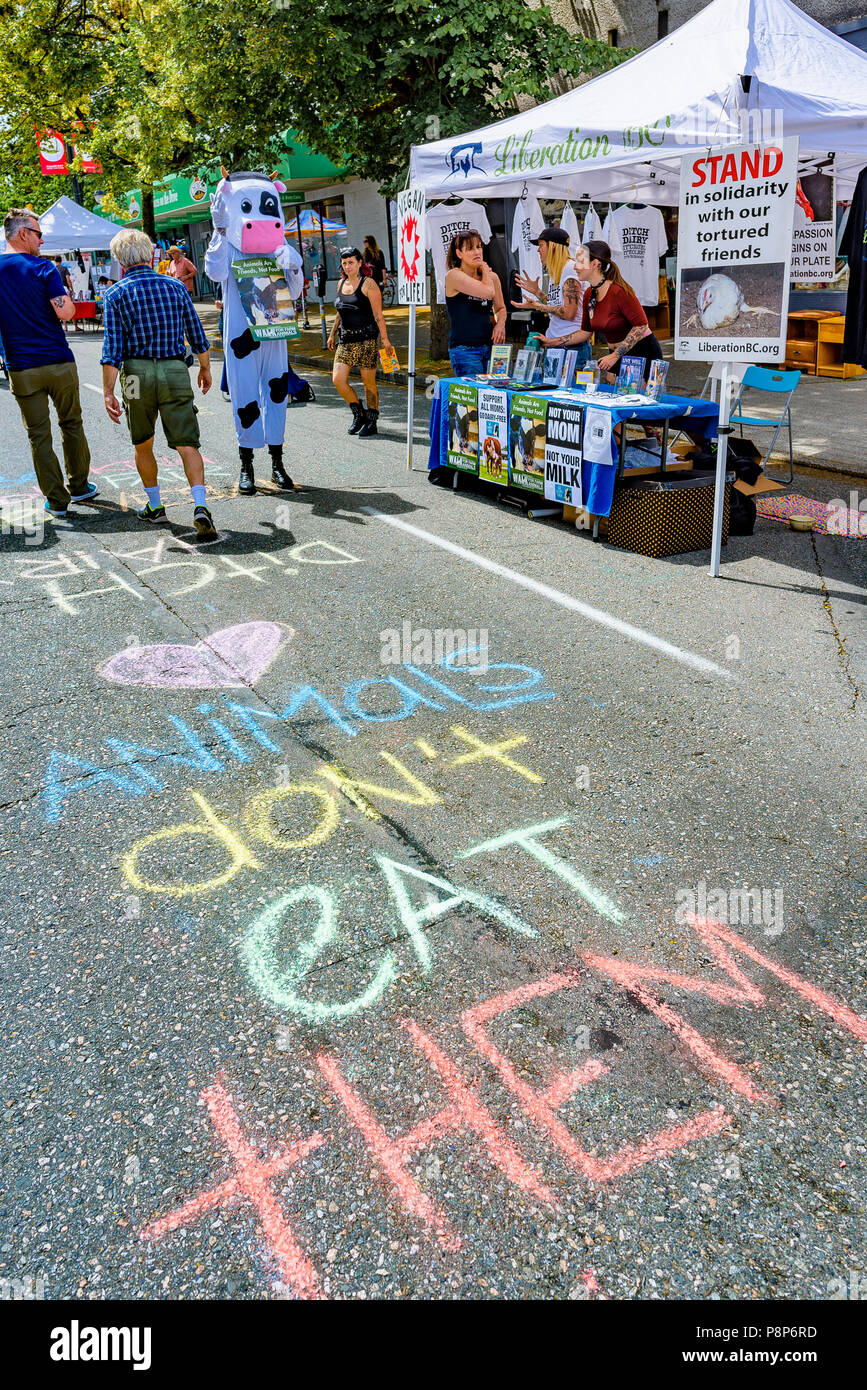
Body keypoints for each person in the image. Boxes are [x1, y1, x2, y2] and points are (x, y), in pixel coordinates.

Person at [100, 228, 217, 540]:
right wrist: (204, 368)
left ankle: (155, 506)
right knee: (187, 442)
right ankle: (200, 505)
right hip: (174, 370)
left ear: (119, 260)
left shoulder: (115, 294)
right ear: (150, 254)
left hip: (136, 374)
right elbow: (197, 333)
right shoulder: (175, 287)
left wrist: (108, 390)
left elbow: (112, 349)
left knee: (143, 440)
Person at [0, 208, 96, 518]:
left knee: (38, 435)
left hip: (21, 366)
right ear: (23, 233)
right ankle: (79, 486)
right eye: (39, 234)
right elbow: (66, 312)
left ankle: (57, 500)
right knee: (72, 423)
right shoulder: (44, 268)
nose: (43, 240)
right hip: (58, 360)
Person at [558, 239, 662, 382]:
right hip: (615, 354)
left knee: (640, 400)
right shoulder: (589, 293)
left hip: (641, 352)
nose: (575, 267)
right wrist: (552, 341)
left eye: (580, 262)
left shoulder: (619, 292)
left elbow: (641, 325)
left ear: (595, 264)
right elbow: (585, 332)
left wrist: (615, 356)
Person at [328, 246, 393, 437]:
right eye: (344, 263)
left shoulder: (369, 284)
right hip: (346, 339)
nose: (348, 267)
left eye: (351, 263)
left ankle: (372, 421)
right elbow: (340, 312)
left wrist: (385, 340)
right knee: (338, 379)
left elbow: (378, 315)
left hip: (366, 340)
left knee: (368, 383)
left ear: (359, 263)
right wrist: (332, 334)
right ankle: (359, 414)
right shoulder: (341, 284)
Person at [511, 225, 589, 360]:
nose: (538, 250)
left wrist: (537, 306)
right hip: (556, 344)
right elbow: (556, 305)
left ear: (553, 246)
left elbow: (569, 313)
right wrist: (538, 293)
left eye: (541, 245)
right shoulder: (558, 271)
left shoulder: (570, 269)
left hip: (571, 348)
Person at [444, 229, 506, 377]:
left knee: (494, 395)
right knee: (473, 398)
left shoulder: (492, 277)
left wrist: (500, 324)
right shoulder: (454, 276)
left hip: (490, 347)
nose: (477, 252)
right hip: (465, 350)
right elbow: (488, 292)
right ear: (459, 254)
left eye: (479, 247)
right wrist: (485, 271)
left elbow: (501, 308)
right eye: (470, 249)